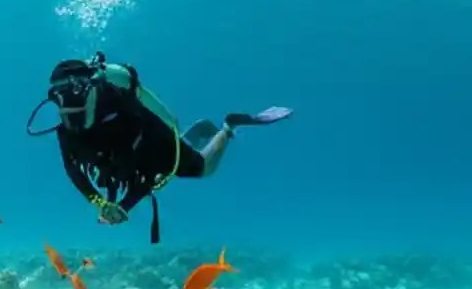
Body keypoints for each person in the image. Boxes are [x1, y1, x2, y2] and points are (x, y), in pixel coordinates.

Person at [27, 52, 291, 243]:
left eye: (74, 91)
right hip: (124, 158)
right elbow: (73, 169)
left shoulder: (126, 115)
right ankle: (193, 137)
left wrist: (124, 206)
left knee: (203, 168)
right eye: (60, 95)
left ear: (91, 86)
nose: (68, 102)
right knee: (163, 158)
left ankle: (228, 127)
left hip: (156, 144)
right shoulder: (68, 129)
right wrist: (100, 202)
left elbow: (148, 174)